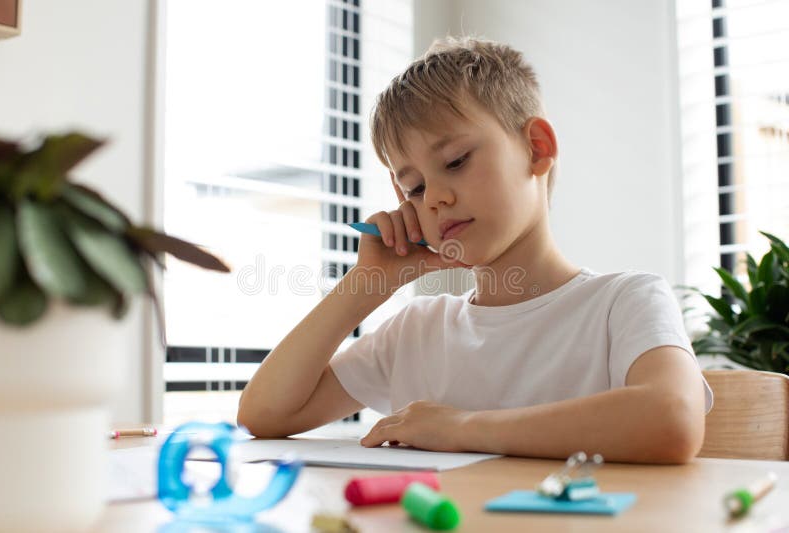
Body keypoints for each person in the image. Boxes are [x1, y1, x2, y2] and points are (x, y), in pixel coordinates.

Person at [237, 36, 712, 464]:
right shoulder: (416, 332)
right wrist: (365, 287)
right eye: (415, 188)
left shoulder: (623, 302)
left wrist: (461, 428)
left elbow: (672, 418)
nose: (436, 198)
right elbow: (266, 413)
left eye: (456, 162)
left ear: (537, 148)